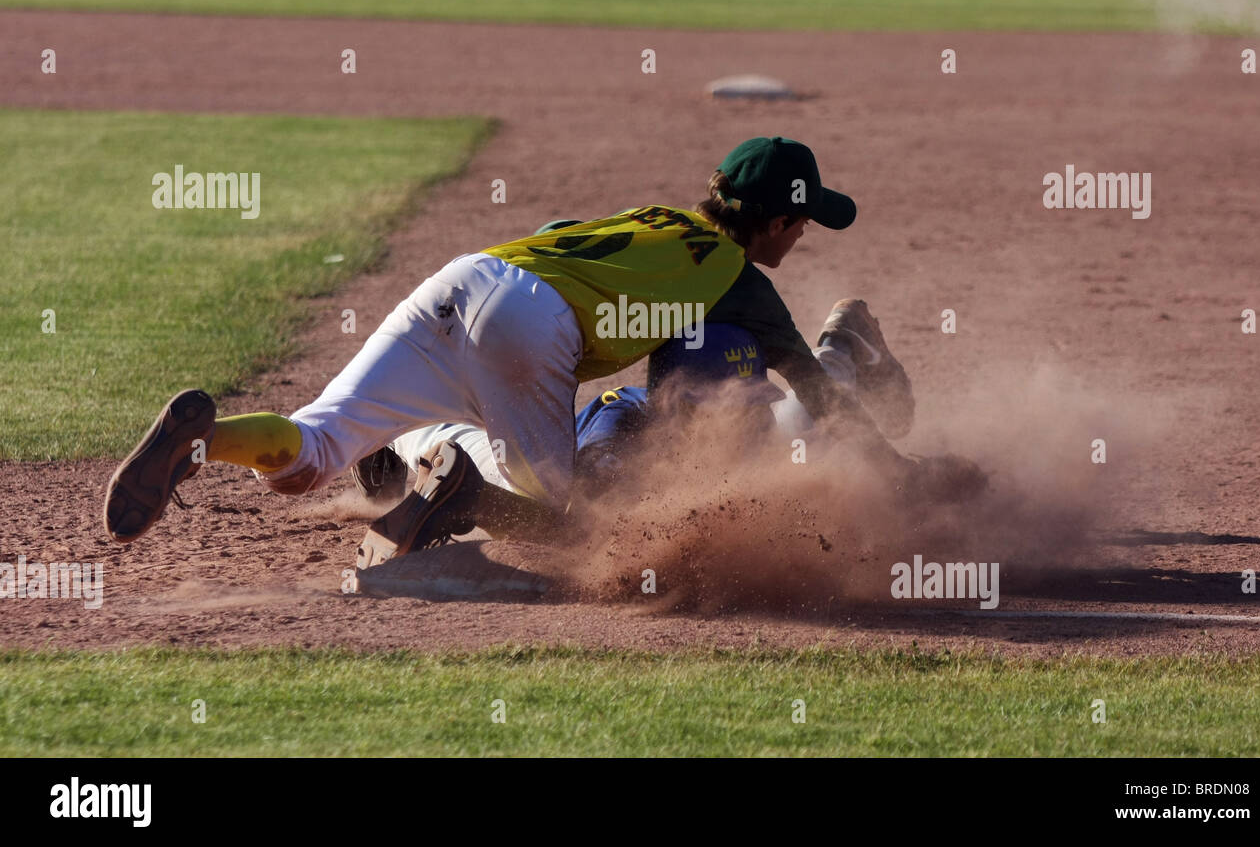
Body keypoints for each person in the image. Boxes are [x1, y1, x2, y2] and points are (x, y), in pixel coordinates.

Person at [103, 136, 913, 567]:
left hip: (464, 279)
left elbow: (560, 248)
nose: (803, 237)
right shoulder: (739, 278)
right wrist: (898, 471)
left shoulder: (650, 216)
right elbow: (821, 390)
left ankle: (204, 441)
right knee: (574, 526)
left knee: (310, 450)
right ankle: (457, 481)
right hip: (531, 327)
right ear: (773, 223)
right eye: (802, 223)